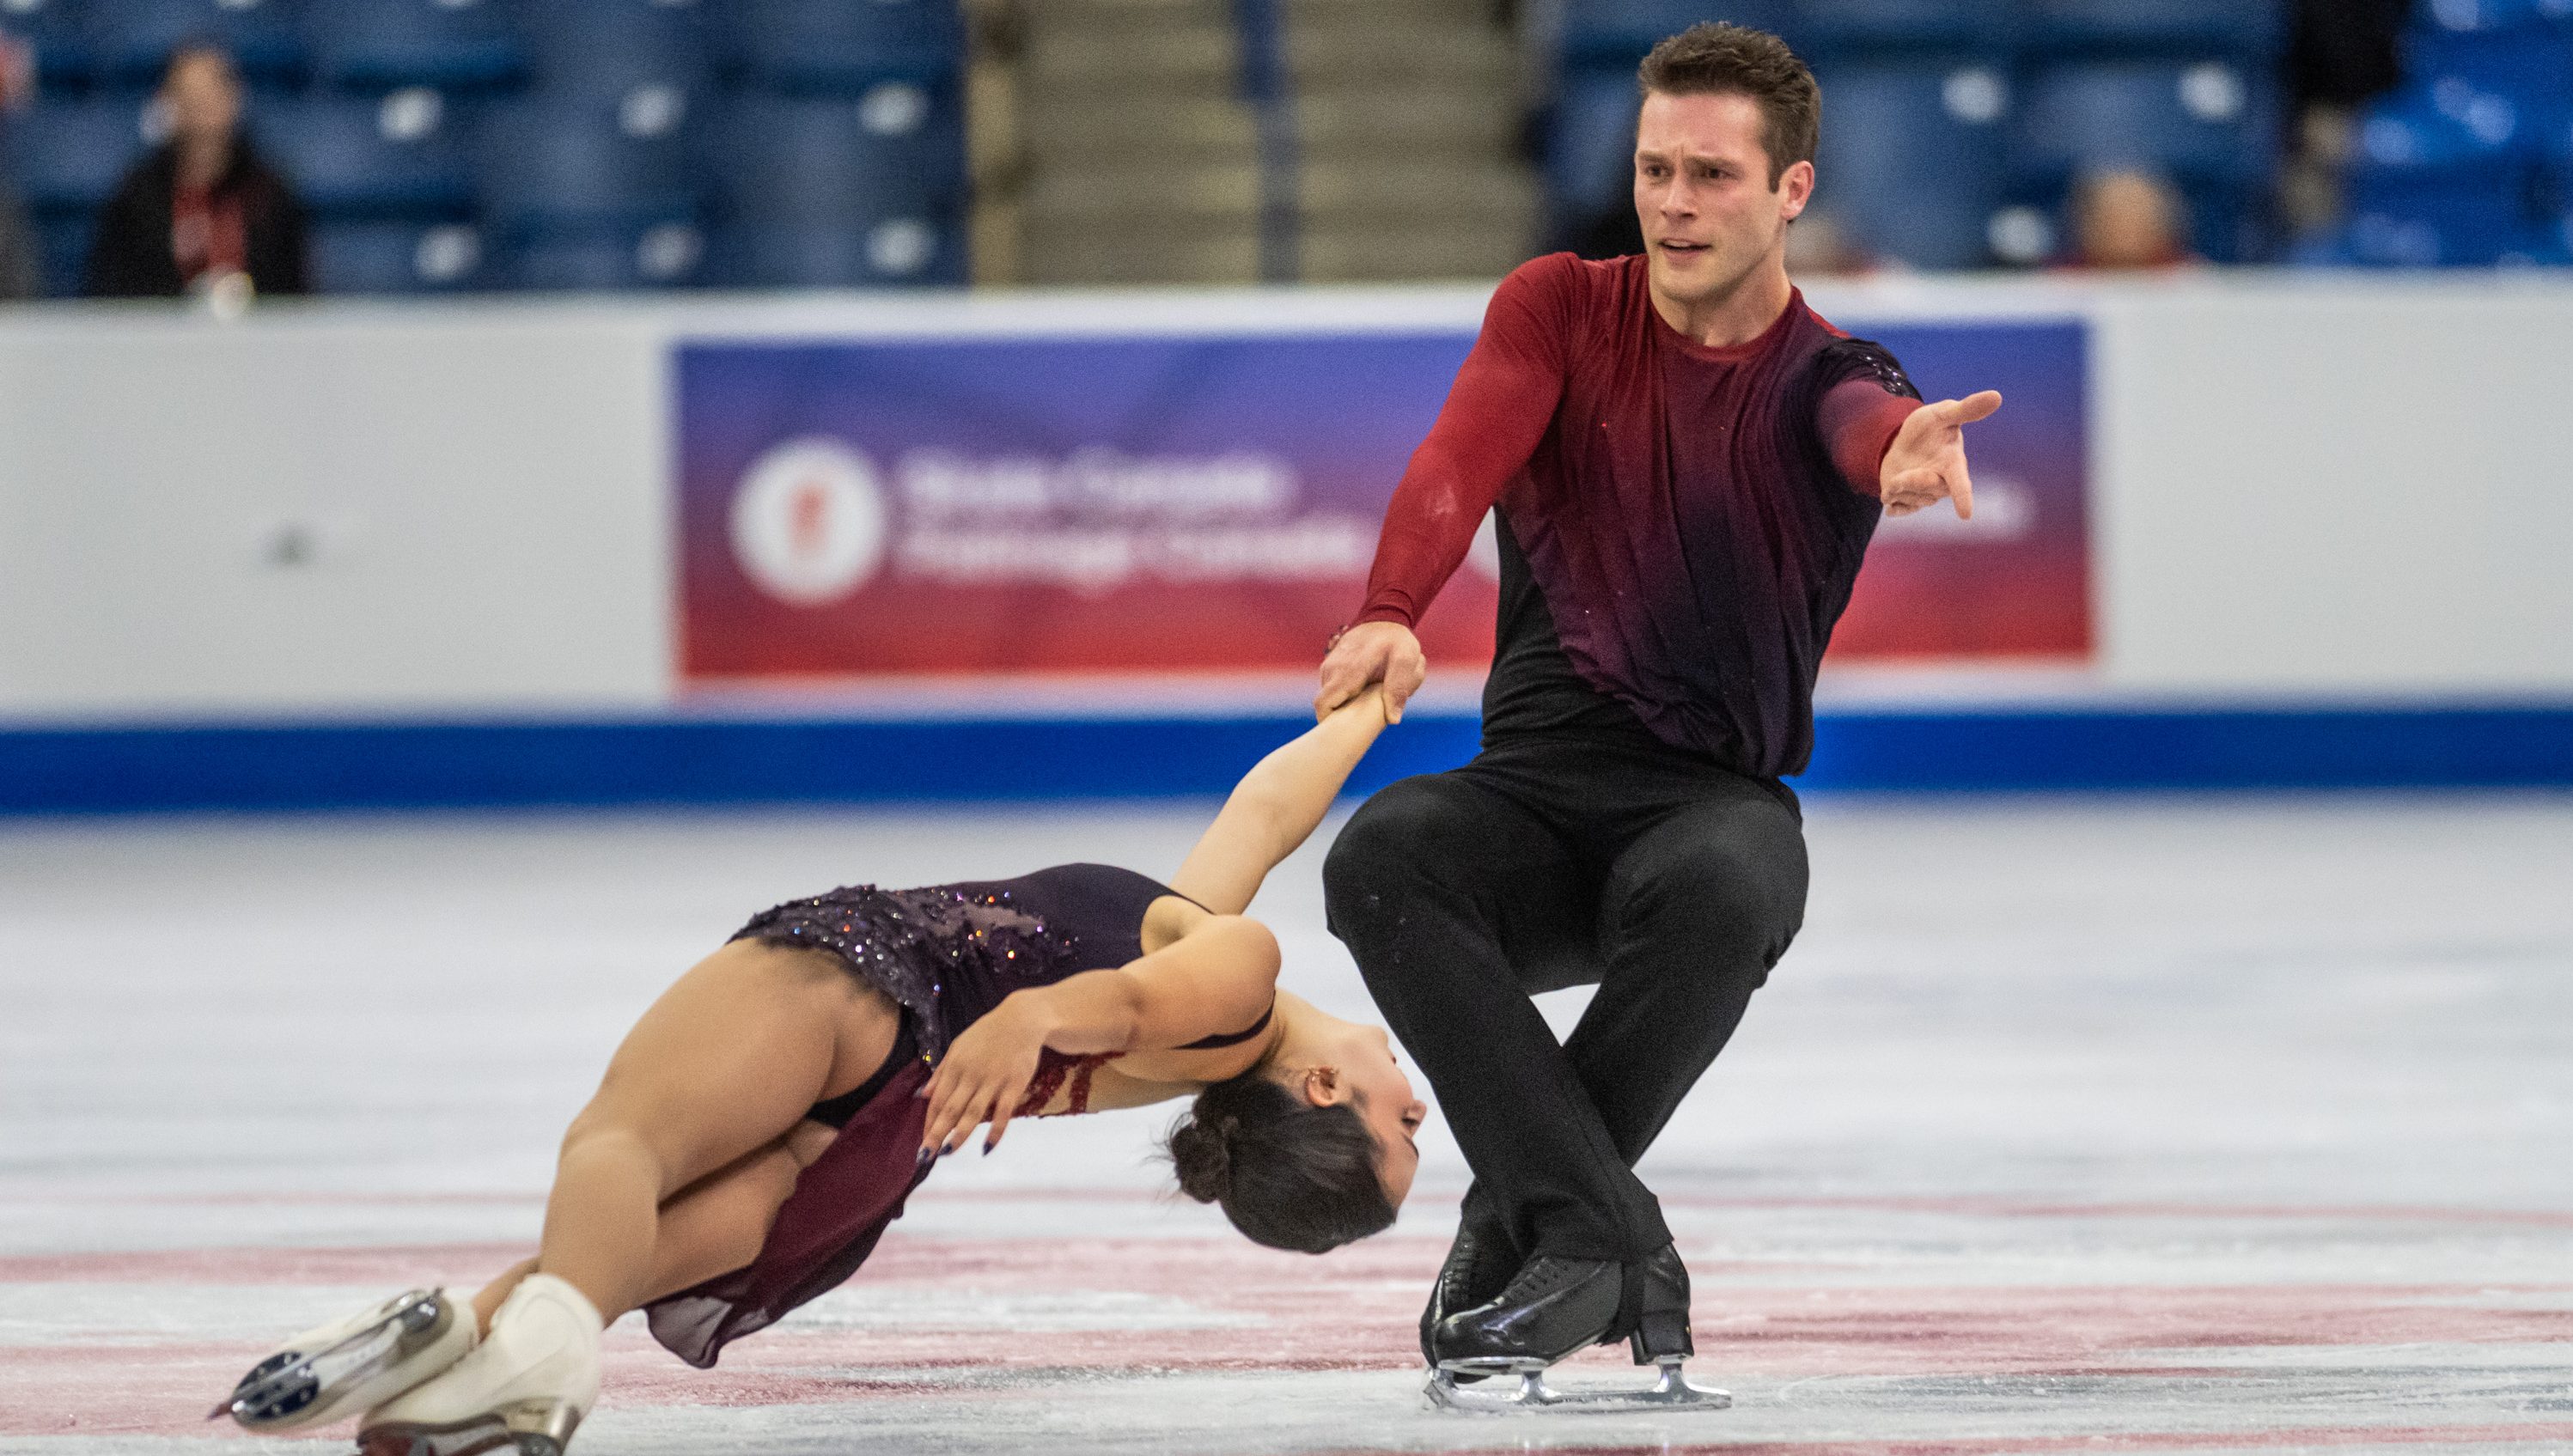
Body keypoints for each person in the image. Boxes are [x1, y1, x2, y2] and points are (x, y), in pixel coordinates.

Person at [1314, 22, 2001, 1406]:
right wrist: (1389, 604)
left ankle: (1527, 1222)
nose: (1673, 203)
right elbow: (1456, 455)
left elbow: (1862, 422)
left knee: (1731, 879)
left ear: (1789, 191)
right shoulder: (1558, 309)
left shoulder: (1830, 373)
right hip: (1529, 795)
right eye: (1652, 170)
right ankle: (1610, 1241)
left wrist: (1900, 449)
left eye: (1711, 175)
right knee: (1380, 854)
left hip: (1704, 809)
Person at [215, 691, 1426, 1455]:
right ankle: (454, 1341)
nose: (1422, 1102)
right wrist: (1366, 709)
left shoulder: (1241, 984)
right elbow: (1260, 820)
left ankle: (526, 1372)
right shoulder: (1197, 1042)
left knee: (621, 1144)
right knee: (609, 1264)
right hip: (876, 1136)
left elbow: (1124, 996)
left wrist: (1028, 1019)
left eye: (1405, 1129)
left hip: (873, 991)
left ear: (1324, 1095)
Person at [86, 42, 308, 300]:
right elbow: (113, 293)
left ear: (234, 97)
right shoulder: (137, 198)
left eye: (210, 92)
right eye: (189, 96)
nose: (201, 107)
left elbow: (295, 293)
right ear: (167, 102)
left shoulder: (269, 194)